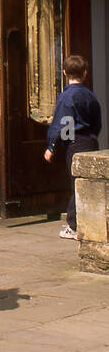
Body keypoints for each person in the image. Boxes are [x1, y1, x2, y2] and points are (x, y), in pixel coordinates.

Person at [44, 54, 103, 240]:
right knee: (90, 183)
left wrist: (53, 146)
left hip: (75, 142)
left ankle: (74, 225)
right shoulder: (90, 96)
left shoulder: (66, 97)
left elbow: (64, 123)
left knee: (77, 183)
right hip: (90, 140)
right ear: (85, 73)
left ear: (64, 73)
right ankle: (88, 221)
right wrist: (91, 136)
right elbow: (97, 122)